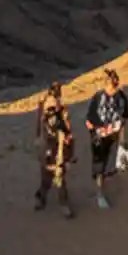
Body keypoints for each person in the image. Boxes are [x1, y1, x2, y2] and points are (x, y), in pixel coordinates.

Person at [85, 69, 128, 209]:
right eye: (113, 84)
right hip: (99, 137)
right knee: (100, 165)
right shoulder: (98, 97)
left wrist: (122, 138)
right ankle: (100, 194)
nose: (115, 87)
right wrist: (95, 132)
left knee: (108, 164)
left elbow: (124, 119)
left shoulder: (122, 97)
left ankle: (102, 182)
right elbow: (89, 121)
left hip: (113, 137)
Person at [33, 82, 74, 218]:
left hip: (58, 146)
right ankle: (41, 197)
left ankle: (64, 204)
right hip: (47, 146)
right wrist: (38, 139)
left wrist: (64, 156)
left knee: (59, 177)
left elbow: (65, 134)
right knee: (45, 177)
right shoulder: (44, 108)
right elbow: (39, 126)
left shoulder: (61, 112)